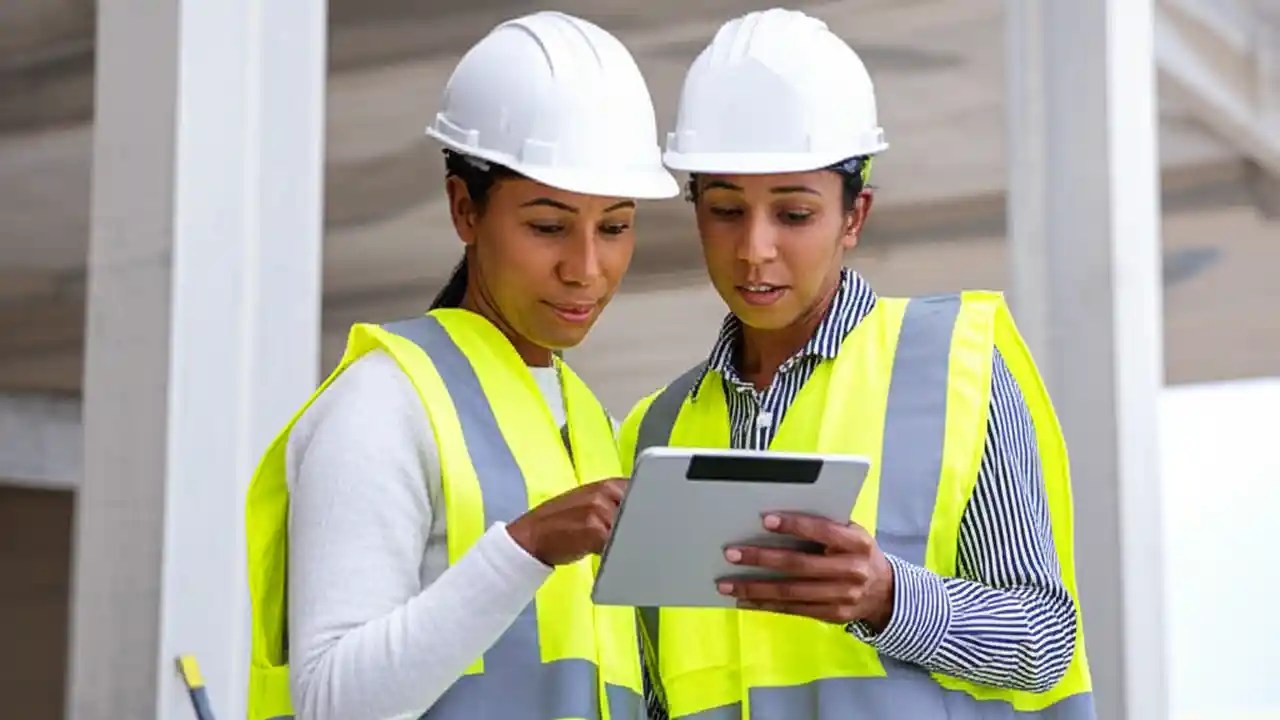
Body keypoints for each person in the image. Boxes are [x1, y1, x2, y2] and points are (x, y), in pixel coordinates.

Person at [619, 8, 1094, 719]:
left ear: (854, 215)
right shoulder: (656, 426)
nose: (754, 248)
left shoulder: (952, 366)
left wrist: (889, 598)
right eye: (724, 210)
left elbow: (1043, 640)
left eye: (794, 214)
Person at [244, 11, 678, 720]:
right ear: (463, 209)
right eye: (547, 226)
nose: (586, 268)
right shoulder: (384, 404)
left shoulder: (587, 421)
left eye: (615, 227)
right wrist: (528, 546)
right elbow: (331, 701)